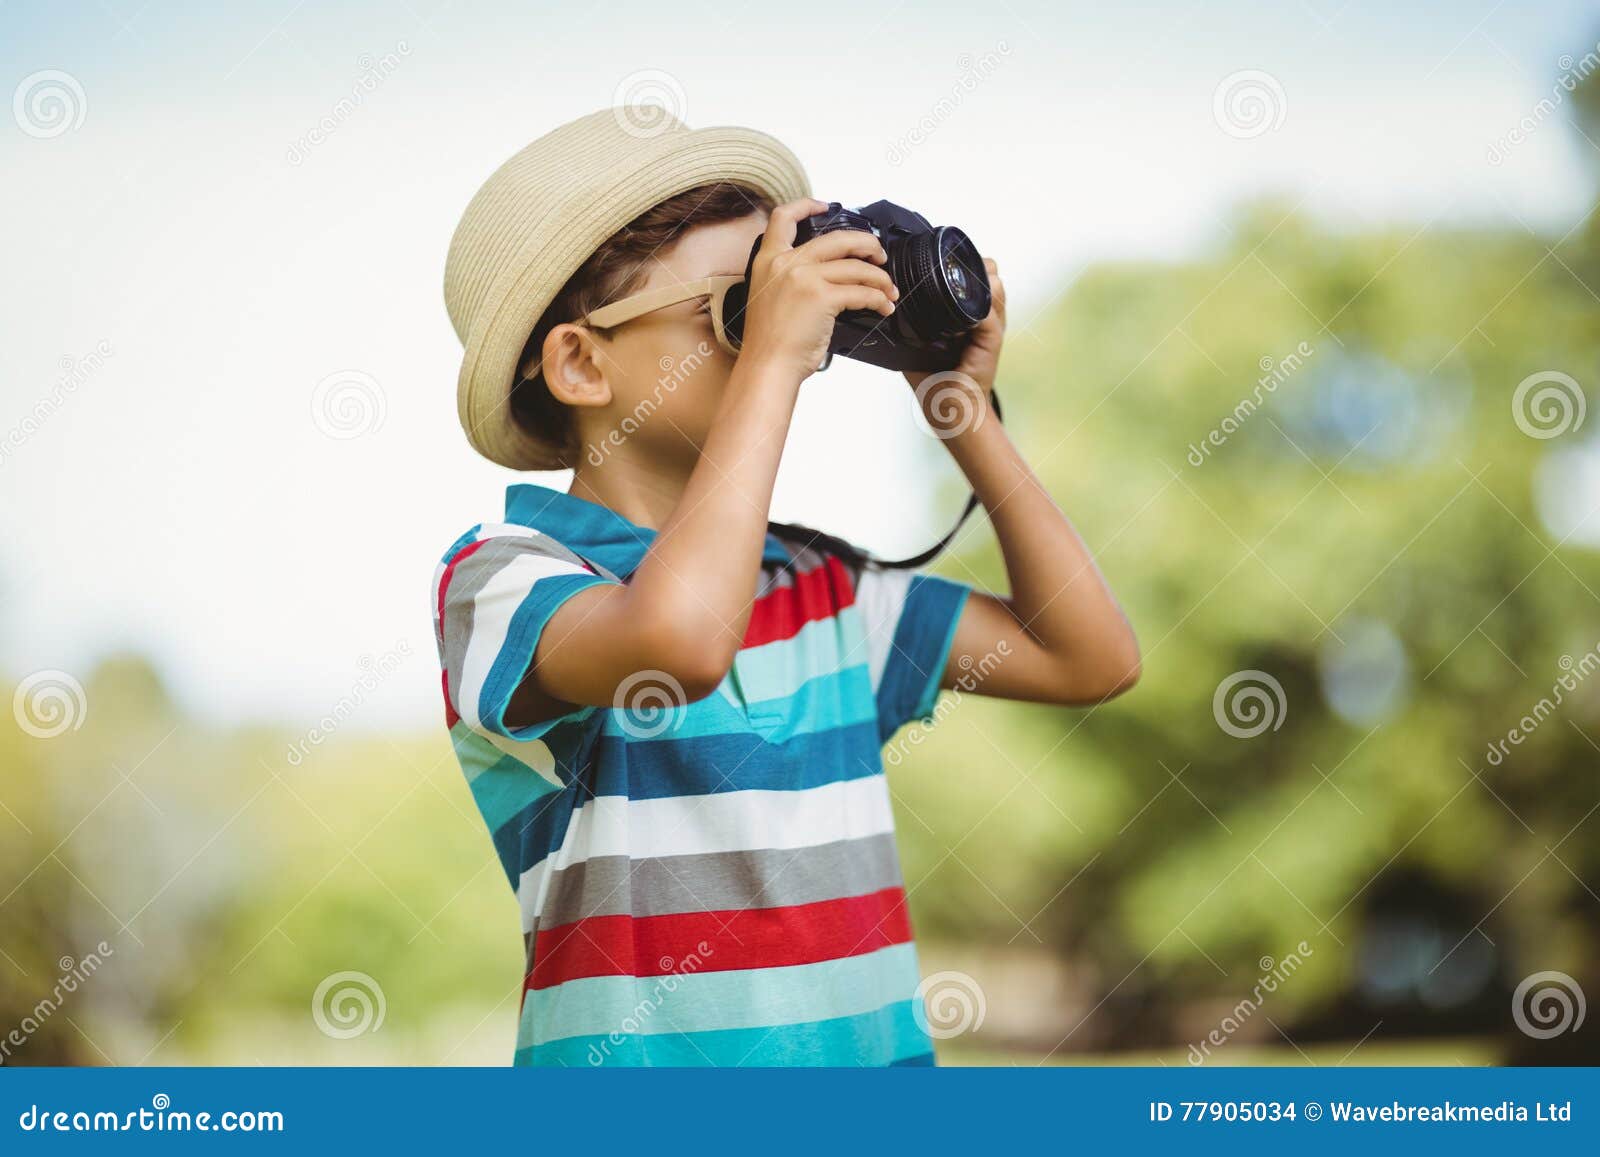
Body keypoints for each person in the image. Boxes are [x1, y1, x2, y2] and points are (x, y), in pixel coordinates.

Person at [433, 107, 1140, 1066]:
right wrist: (771, 356)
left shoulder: (824, 592)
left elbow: (1088, 655)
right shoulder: (504, 578)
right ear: (581, 361)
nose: (786, 337)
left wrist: (961, 411)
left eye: (780, 304)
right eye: (737, 307)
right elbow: (679, 640)